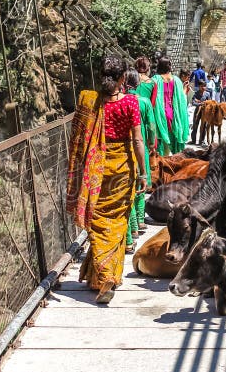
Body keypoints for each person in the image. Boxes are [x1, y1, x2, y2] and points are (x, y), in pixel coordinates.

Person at [66, 57, 148, 304]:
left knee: (98, 221)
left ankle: (101, 276)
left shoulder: (90, 103)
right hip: (123, 168)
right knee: (117, 223)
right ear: (123, 78)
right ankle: (107, 278)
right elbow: (137, 140)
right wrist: (143, 172)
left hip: (96, 169)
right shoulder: (131, 103)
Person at [124, 69, 157, 254]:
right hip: (141, 146)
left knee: (130, 188)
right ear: (139, 84)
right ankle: (140, 221)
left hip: (124, 149)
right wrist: (152, 143)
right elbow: (151, 126)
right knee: (140, 184)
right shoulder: (144, 102)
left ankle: (134, 227)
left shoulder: (120, 100)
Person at [152, 56, 189, 155]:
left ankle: (163, 164)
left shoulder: (155, 79)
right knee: (172, 147)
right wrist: (185, 90)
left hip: (160, 116)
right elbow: (182, 101)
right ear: (169, 66)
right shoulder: (177, 80)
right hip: (174, 117)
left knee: (162, 146)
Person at [135, 56, 169, 157]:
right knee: (144, 144)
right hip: (145, 119)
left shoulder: (130, 79)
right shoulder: (152, 83)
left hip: (130, 113)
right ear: (148, 68)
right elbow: (152, 105)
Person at [189, 80, 212, 145]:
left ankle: (201, 141)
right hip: (197, 112)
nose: (203, 87)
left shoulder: (207, 94)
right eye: (201, 86)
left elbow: (210, 103)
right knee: (195, 125)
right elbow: (193, 103)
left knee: (204, 126)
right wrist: (200, 104)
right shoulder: (196, 94)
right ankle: (193, 140)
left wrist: (203, 103)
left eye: (204, 86)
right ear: (199, 86)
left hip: (205, 113)